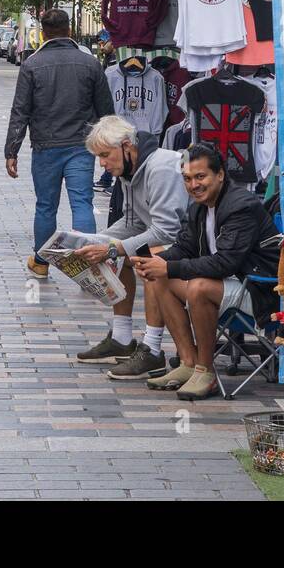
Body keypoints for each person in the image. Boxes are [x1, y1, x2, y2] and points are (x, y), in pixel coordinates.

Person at [133, 143, 279, 402]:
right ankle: (188, 362)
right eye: (187, 179)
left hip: (258, 290)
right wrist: (153, 261)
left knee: (198, 286)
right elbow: (184, 247)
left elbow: (225, 263)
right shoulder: (198, 207)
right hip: (228, 285)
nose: (193, 185)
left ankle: (206, 371)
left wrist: (168, 266)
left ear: (220, 174)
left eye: (201, 177)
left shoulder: (241, 206)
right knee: (158, 277)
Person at [72, 116, 187, 379]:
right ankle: (122, 338)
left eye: (105, 155)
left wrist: (112, 249)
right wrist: (95, 241)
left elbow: (166, 230)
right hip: (171, 240)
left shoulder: (160, 168)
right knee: (114, 248)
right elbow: (133, 222)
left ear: (126, 146)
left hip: (193, 244)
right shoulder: (129, 169)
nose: (101, 163)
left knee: (146, 256)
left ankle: (152, 349)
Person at [5, 8, 112, 279]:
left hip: (45, 147)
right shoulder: (90, 64)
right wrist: (108, 149)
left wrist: (12, 150)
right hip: (81, 146)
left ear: (43, 32)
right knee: (82, 203)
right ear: (70, 30)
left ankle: (41, 262)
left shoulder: (32, 64)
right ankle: (87, 264)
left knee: (45, 206)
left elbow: (21, 111)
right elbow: (105, 110)